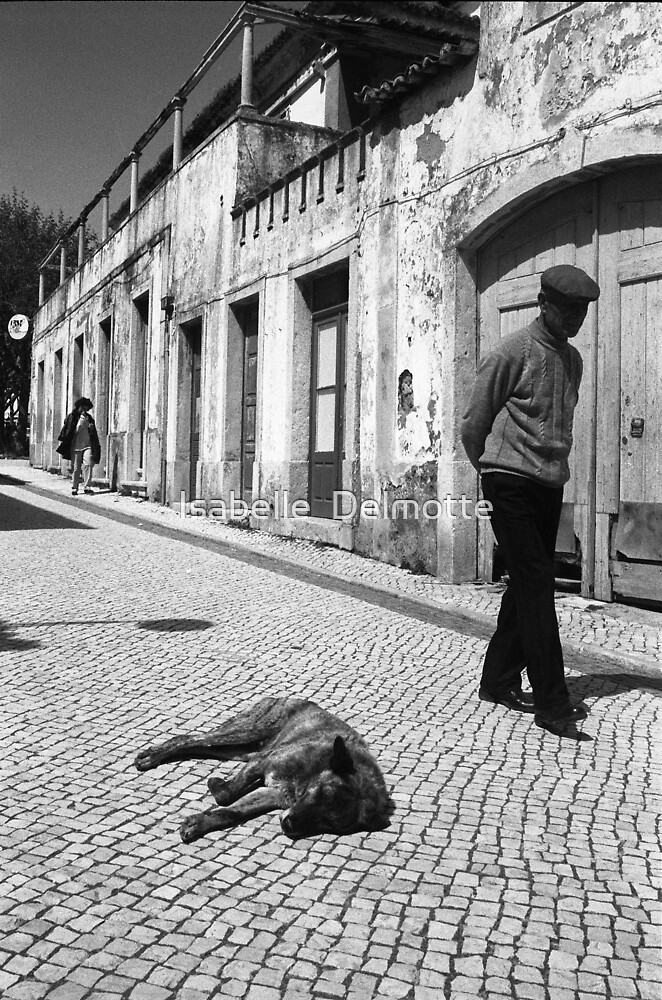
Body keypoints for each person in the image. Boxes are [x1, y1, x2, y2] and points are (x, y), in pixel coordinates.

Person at [461, 264, 600, 736]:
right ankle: (552, 704)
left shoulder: (573, 361)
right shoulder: (511, 351)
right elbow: (472, 423)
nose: (575, 320)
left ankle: (497, 681)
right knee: (539, 583)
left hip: (548, 483)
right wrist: (489, 472)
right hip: (508, 483)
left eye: (581, 312)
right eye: (567, 311)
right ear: (543, 304)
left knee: (525, 584)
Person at [56, 397, 101, 496]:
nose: (84, 410)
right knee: (76, 467)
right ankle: (75, 487)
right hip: (75, 445)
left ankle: (87, 486)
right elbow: (73, 430)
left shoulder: (89, 418)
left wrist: (91, 427)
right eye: (83, 408)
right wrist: (80, 421)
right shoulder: (71, 417)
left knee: (88, 464)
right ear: (79, 406)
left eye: (86, 409)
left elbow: (94, 433)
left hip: (88, 445)